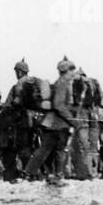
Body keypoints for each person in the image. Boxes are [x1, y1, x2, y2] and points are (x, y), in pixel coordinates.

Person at [23, 57, 76, 185]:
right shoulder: (63, 83)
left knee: (45, 149)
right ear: (66, 71)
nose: (73, 73)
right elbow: (59, 105)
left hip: (50, 122)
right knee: (59, 150)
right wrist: (73, 121)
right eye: (71, 70)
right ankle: (57, 175)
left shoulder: (58, 83)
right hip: (59, 123)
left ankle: (30, 173)